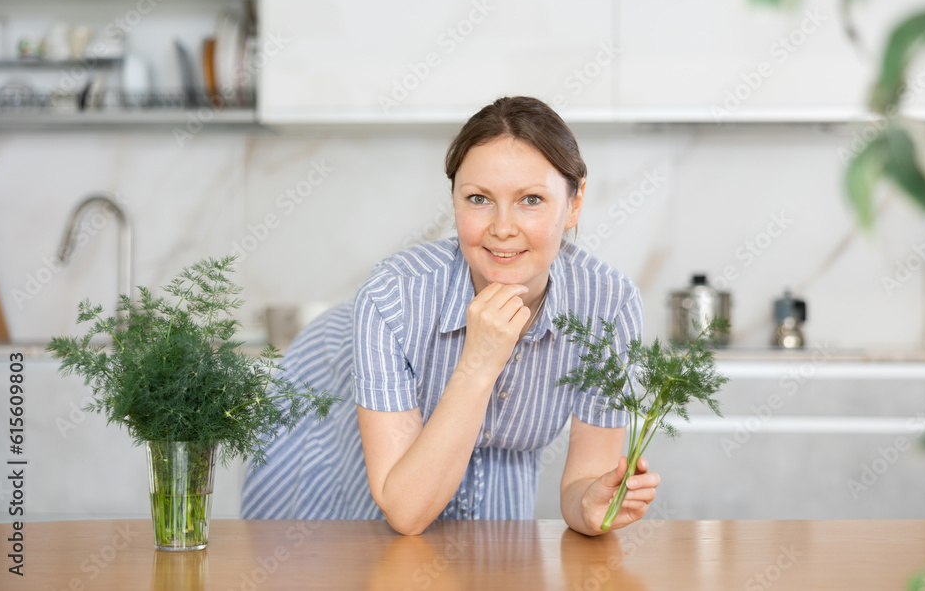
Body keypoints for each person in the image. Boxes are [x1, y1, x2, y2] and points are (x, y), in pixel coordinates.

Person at [241, 96, 660, 536]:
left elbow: (582, 483)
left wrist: (590, 507)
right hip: (333, 404)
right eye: (479, 198)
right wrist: (480, 360)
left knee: (489, 556)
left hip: (492, 476)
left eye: (531, 199)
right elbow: (405, 510)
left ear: (574, 204)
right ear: (455, 200)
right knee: (331, 552)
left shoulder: (608, 305)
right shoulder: (392, 295)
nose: (502, 228)